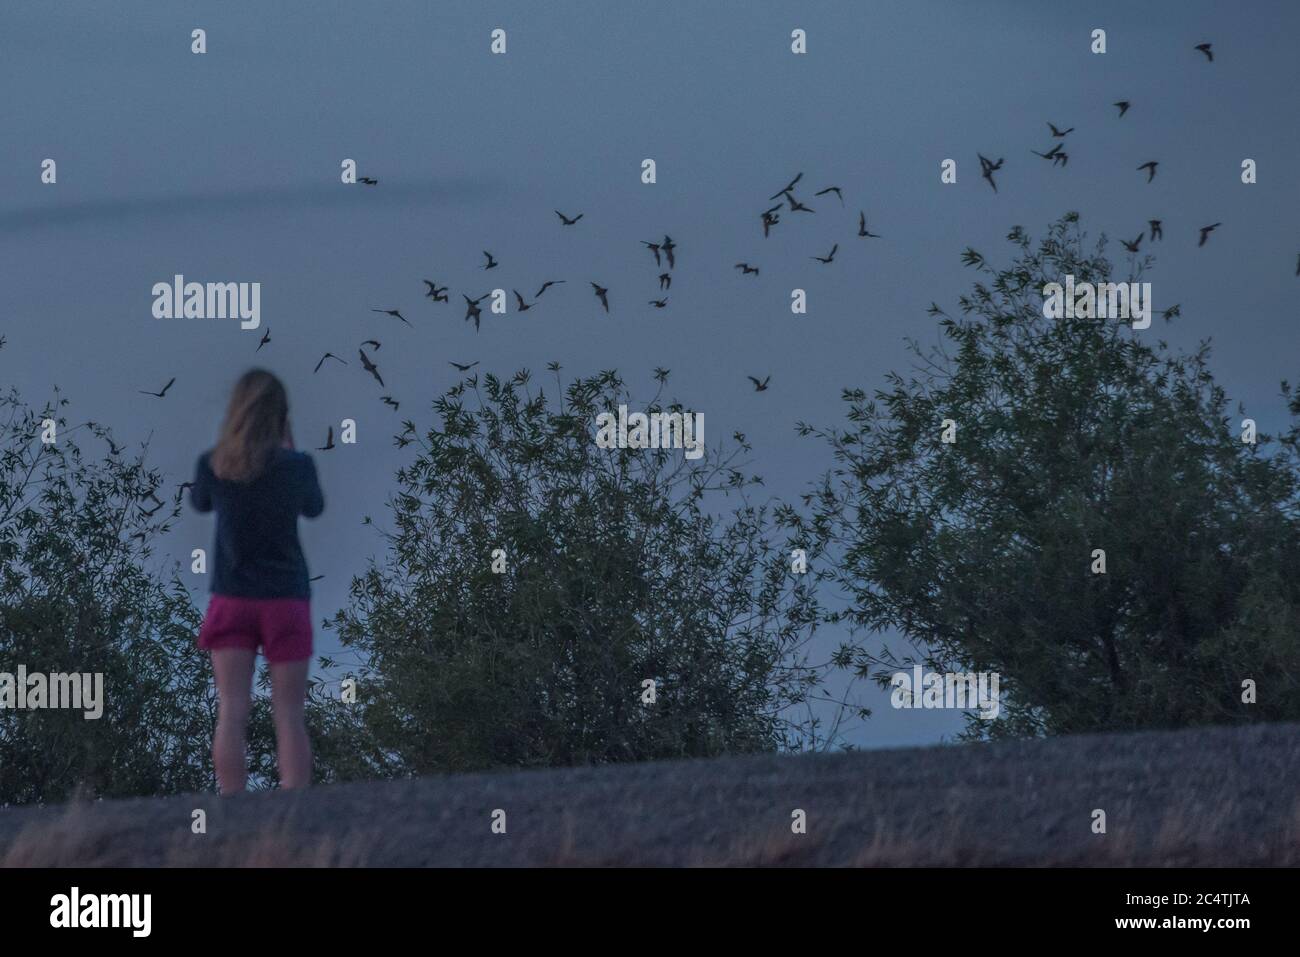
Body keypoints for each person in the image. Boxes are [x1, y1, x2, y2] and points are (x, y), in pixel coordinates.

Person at [191, 369, 324, 794]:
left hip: (232, 597)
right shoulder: (298, 466)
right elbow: (314, 508)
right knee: (289, 714)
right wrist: (291, 451)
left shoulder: (213, 464)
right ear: (282, 416)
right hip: (286, 598)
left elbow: (199, 502)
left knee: (231, 710)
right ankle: (295, 807)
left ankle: (232, 807)